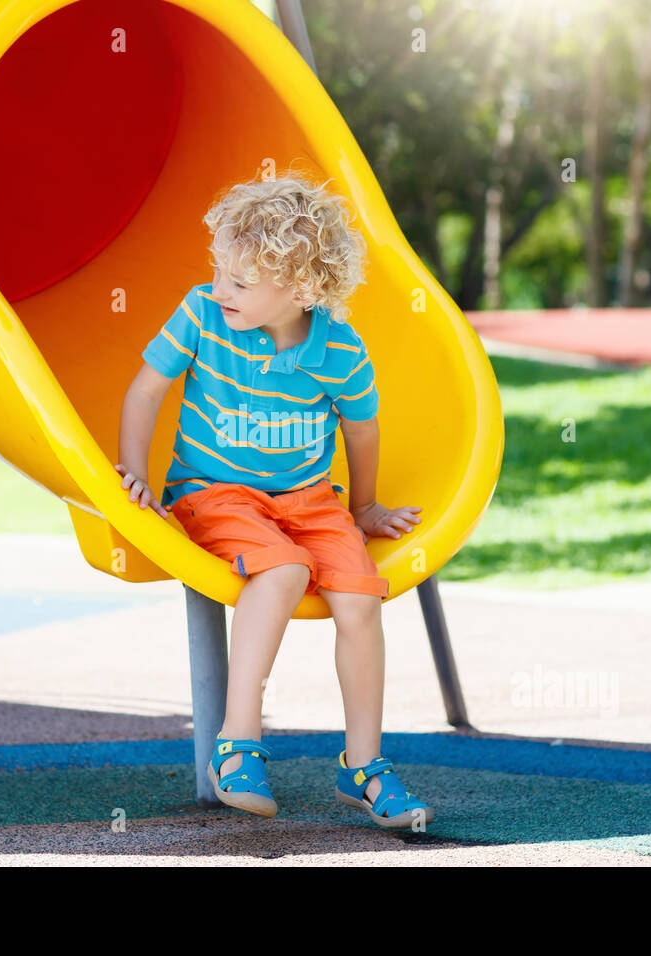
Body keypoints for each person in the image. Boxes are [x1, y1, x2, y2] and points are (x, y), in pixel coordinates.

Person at [115, 171, 431, 828]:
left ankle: (364, 766)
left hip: (311, 500)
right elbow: (145, 391)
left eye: (239, 280)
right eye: (218, 271)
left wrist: (365, 508)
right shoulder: (202, 315)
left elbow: (361, 427)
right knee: (283, 569)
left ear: (302, 289)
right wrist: (134, 471)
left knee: (359, 598)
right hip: (215, 493)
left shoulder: (338, 349)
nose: (219, 288)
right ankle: (237, 741)